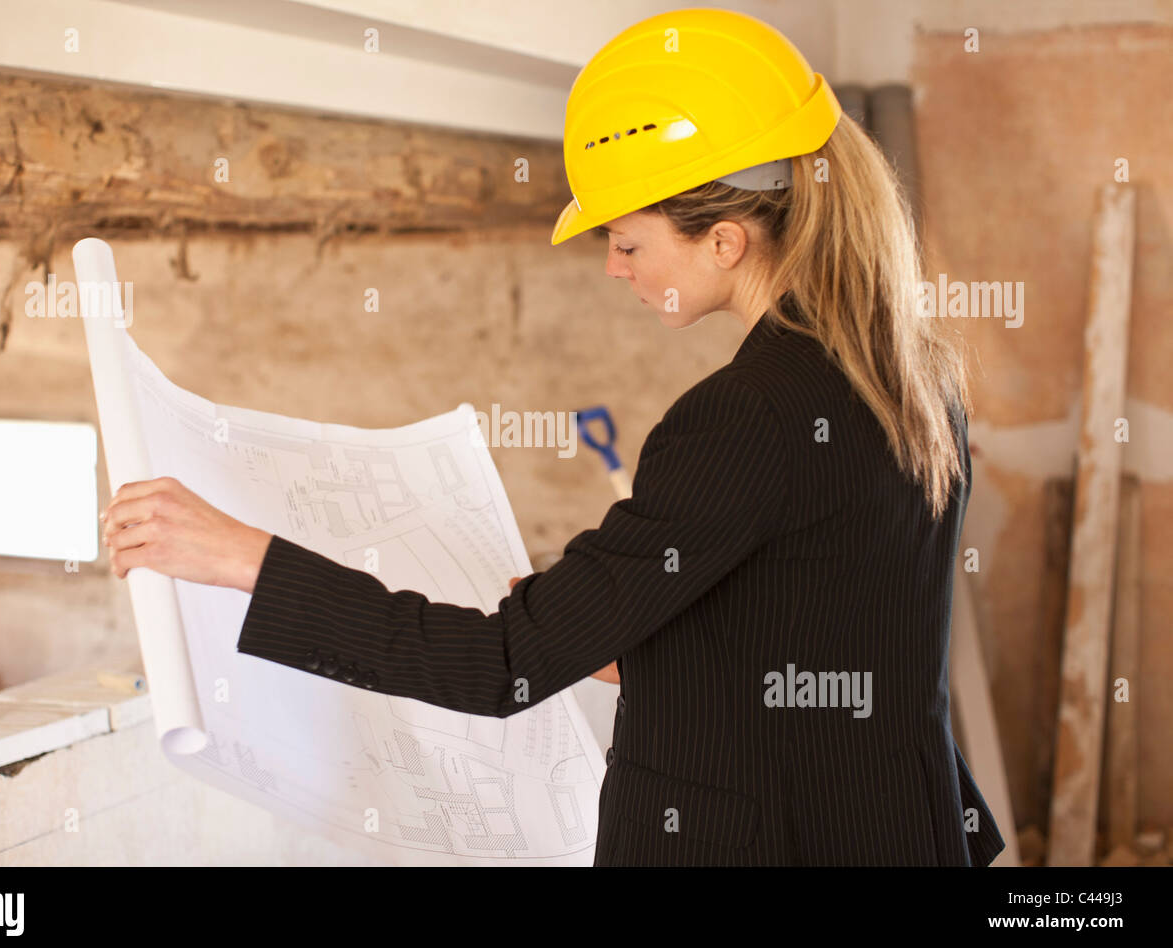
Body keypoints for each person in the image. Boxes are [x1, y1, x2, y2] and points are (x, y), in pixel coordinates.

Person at [102, 8, 1005, 866]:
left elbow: (502, 666)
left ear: (725, 240)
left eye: (627, 240)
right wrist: (650, 648)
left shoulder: (743, 417)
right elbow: (830, 631)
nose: (614, 266)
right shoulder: (914, 372)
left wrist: (246, 556)